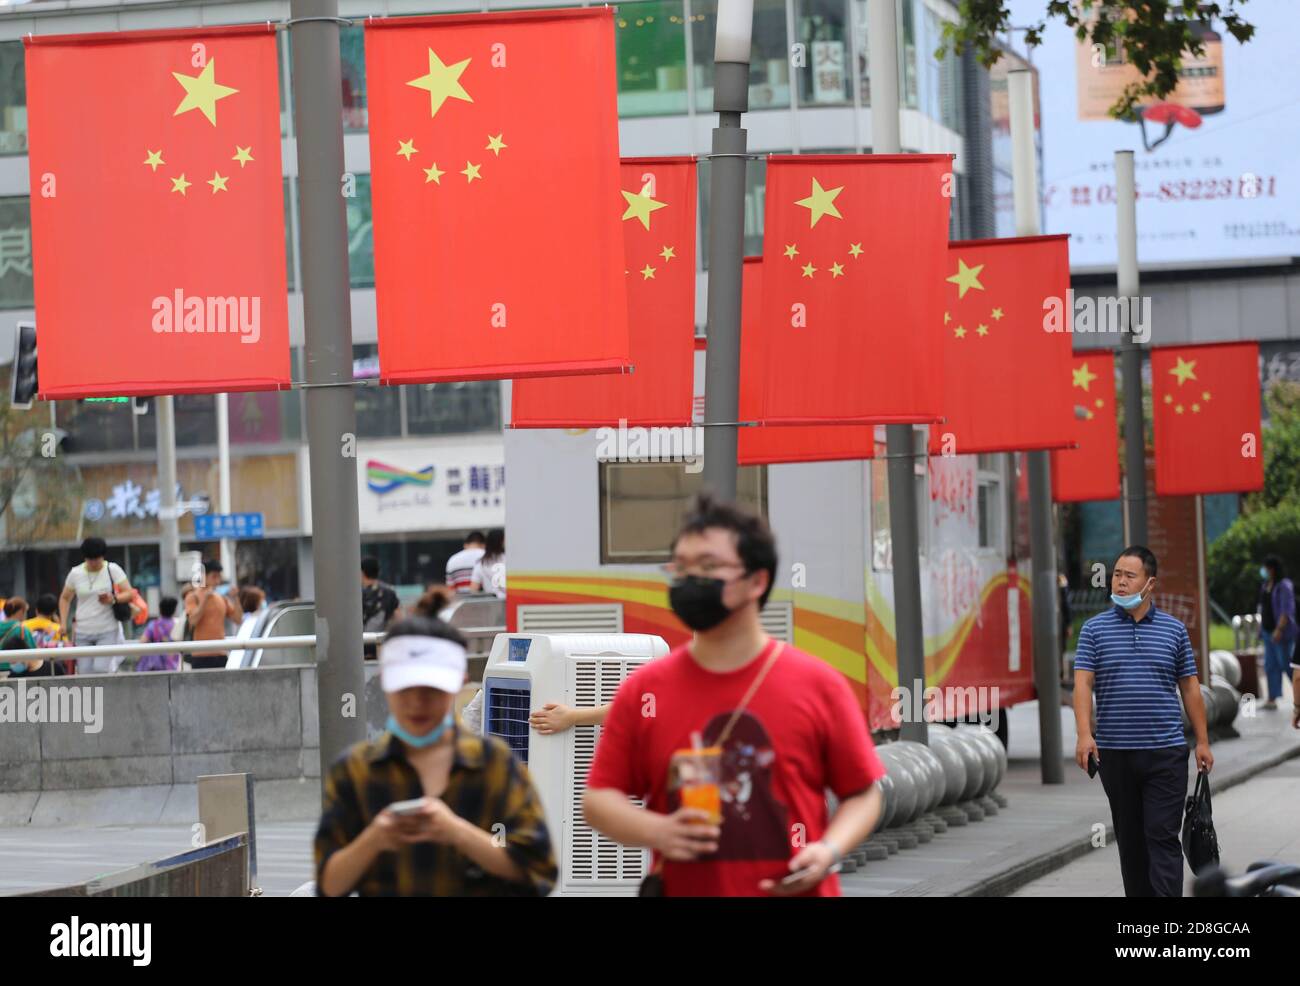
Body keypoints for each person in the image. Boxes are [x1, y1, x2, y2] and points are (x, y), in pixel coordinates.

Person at [583, 494, 886, 897]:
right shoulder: (644, 690)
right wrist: (658, 831)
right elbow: (599, 798)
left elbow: (863, 793)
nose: (691, 580)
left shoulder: (819, 685)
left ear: (757, 581)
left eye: (708, 567)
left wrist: (829, 850)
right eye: (681, 567)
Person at [313, 613, 558, 896]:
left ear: (459, 682)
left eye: (432, 689)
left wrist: (457, 832)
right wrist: (375, 838)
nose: (417, 702)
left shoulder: (495, 765)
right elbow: (328, 885)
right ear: (385, 683)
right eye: (405, 688)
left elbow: (539, 872)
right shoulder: (356, 770)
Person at [1073, 545, 1213, 898]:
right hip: (1115, 754)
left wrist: (1202, 740)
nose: (1119, 582)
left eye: (1128, 576)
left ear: (1150, 584)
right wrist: (1084, 734)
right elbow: (1082, 683)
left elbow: (1190, 688)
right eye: (1116, 574)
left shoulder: (1174, 631)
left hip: (1165, 752)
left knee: (1162, 836)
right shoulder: (1094, 630)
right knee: (1131, 841)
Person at [59, 537, 134, 673]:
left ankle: (106, 693)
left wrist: (113, 598)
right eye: (90, 559)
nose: (93, 562)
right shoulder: (75, 573)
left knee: (101, 668)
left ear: (103, 556)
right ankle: (92, 695)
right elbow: (65, 598)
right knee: (84, 671)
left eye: (96, 559)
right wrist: (63, 623)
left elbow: (130, 593)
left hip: (107, 629)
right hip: (82, 630)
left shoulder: (112, 569)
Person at [1258, 555, 1296, 711]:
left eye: (1266, 568)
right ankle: (1272, 698)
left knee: (1287, 665)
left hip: (1281, 633)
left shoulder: (1284, 586)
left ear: (1272, 569)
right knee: (1270, 665)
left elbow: (1287, 610)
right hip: (1268, 632)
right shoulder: (1265, 585)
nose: (1264, 571)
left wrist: (1279, 629)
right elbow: (1263, 608)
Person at [190, 559, 242, 670]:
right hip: (200, 655)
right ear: (204, 576)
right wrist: (205, 600)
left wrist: (236, 598)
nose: (218, 581)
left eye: (219, 577)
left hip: (220, 653)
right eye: (214, 576)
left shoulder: (221, 598)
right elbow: (193, 621)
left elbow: (238, 619)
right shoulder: (193, 596)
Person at [361, 557, 401, 659]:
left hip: (361, 648)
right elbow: (398, 618)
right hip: (383, 647)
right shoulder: (390, 592)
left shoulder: (357, 595)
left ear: (362, 572)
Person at [23, 593, 69, 676]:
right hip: (51, 669)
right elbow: (66, 647)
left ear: (36, 609)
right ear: (54, 612)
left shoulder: (23, 625)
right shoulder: (58, 629)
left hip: (29, 668)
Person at [137, 597, 180, 672]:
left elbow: (142, 641)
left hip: (154, 665)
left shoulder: (154, 624)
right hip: (172, 665)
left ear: (160, 609)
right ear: (174, 610)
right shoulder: (177, 625)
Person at [2, 598, 41, 676]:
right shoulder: (22, 630)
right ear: (20, 612)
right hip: (14, 673)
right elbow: (33, 654)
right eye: (25, 611)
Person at [470, 529, 506, 600]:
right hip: (508, 602)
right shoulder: (509, 560)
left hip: (490, 603)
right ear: (502, 541)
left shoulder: (480, 563)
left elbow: (473, 589)